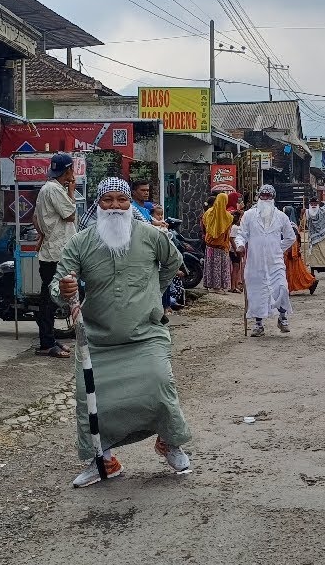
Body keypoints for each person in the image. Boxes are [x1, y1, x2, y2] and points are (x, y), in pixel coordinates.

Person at [56, 177, 191, 488]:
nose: (115, 207)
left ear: (130, 204)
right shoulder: (81, 242)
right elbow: (59, 282)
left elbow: (174, 261)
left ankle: (169, 442)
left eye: (121, 200)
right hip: (98, 342)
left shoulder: (150, 236)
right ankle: (102, 460)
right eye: (108, 201)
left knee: (159, 384)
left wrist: (154, 292)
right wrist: (64, 290)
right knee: (90, 402)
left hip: (146, 333)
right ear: (98, 205)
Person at [236, 184, 296, 337]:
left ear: (273, 198)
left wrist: (277, 248)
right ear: (259, 197)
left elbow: (290, 237)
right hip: (255, 262)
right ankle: (258, 325)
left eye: (268, 196)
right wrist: (240, 245)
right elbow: (241, 234)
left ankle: (282, 317)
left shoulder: (281, 217)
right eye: (263, 195)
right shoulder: (249, 215)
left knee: (282, 288)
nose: (265, 198)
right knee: (257, 293)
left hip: (275, 262)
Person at [34, 153, 78, 358]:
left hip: (52, 250)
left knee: (49, 299)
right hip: (56, 253)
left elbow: (35, 219)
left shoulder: (48, 188)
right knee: (49, 300)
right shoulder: (54, 189)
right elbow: (70, 214)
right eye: (71, 169)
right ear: (67, 171)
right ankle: (46, 343)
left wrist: (43, 234)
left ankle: (50, 339)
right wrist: (71, 192)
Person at [202, 192, 233, 293]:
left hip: (210, 245)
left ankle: (209, 284)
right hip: (221, 246)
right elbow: (228, 232)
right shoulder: (228, 217)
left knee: (210, 265)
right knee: (221, 267)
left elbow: (204, 226)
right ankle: (219, 286)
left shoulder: (208, 213)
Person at [303, 197, 325, 277]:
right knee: (314, 255)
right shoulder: (307, 213)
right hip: (314, 238)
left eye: (315, 204)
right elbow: (303, 225)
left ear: (318, 204)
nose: (313, 205)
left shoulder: (324, 212)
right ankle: (312, 272)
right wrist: (302, 215)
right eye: (312, 204)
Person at [285, 222, 319, 295]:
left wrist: (293, 252)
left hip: (291, 254)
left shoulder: (289, 226)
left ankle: (311, 282)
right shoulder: (291, 225)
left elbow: (292, 240)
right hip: (291, 253)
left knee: (296, 272)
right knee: (298, 271)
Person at [229, 211, 246, 293]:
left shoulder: (235, 227)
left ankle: (235, 285)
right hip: (234, 250)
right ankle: (233, 286)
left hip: (235, 250)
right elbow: (231, 238)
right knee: (235, 268)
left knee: (237, 267)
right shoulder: (235, 227)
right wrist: (236, 249)